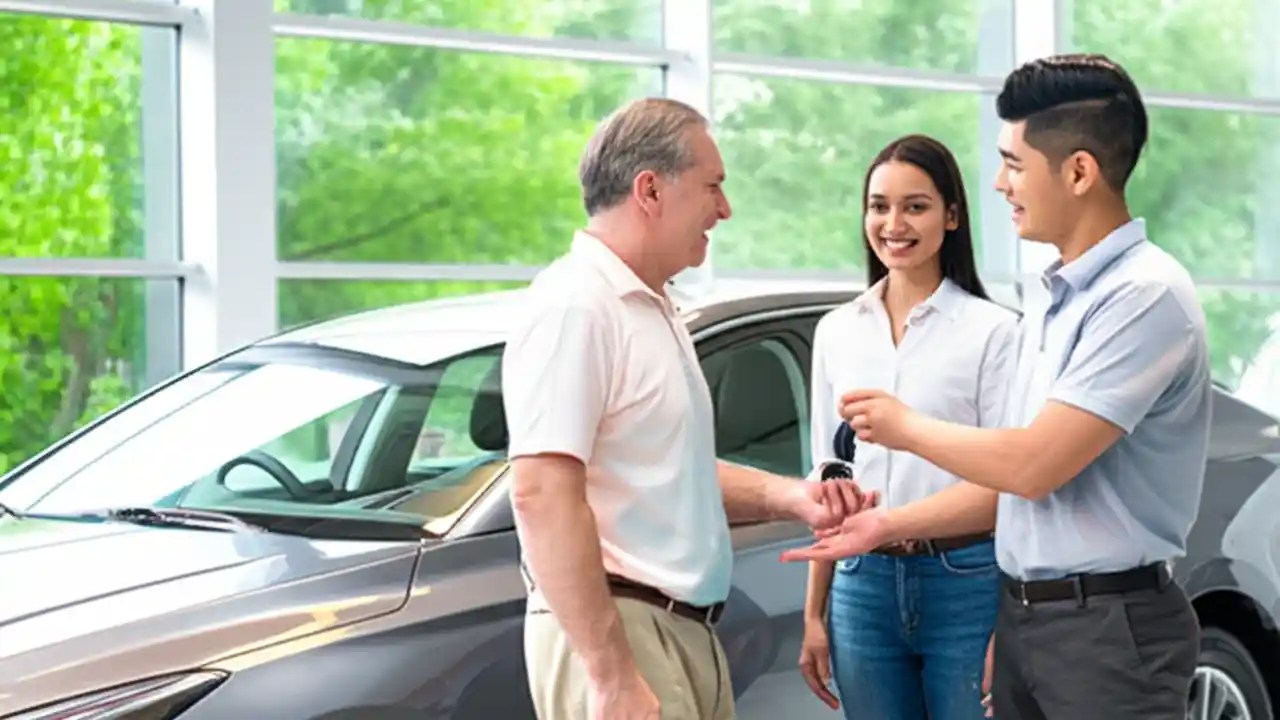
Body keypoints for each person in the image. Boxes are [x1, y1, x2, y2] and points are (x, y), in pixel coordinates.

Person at [784, 54, 1210, 719]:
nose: (1000, 184)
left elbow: (1034, 466)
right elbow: (1005, 477)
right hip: (1028, 616)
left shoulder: (1144, 297)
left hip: (1105, 627)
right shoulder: (1054, 301)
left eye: (1014, 164)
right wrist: (882, 528)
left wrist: (904, 427)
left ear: (1077, 172)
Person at [502, 97, 869, 720]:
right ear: (649, 189)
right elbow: (540, 492)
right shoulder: (575, 306)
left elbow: (666, 468)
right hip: (623, 632)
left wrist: (791, 498)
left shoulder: (650, 307)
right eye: (712, 187)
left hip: (677, 631)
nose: (723, 210)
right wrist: (612, 675)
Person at [797, 134, 1018, 720]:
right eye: (879, 205)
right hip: (861, 587)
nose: (893, 223)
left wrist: (1010, 624)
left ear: (951, 216)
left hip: (966, 581)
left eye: (915, 206)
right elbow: (830, 478)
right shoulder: (837, 331)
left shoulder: (994, 333)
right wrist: (815, 614)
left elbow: (1011, 486)